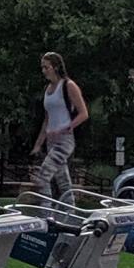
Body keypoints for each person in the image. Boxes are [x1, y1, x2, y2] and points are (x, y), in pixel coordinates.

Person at [30, 52, 88, 199]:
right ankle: (70, 213)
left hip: (64, 140)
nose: (44, 71)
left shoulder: (68, 85)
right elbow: (47, 120)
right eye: (42, 68)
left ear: (55, 67)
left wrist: (67, 127)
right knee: (63, 181)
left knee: (43, 177)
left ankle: (46, 213)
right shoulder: (47, 90)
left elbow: (83, 113)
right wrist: (38, 144)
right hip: (51, 141)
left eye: (46, 67)